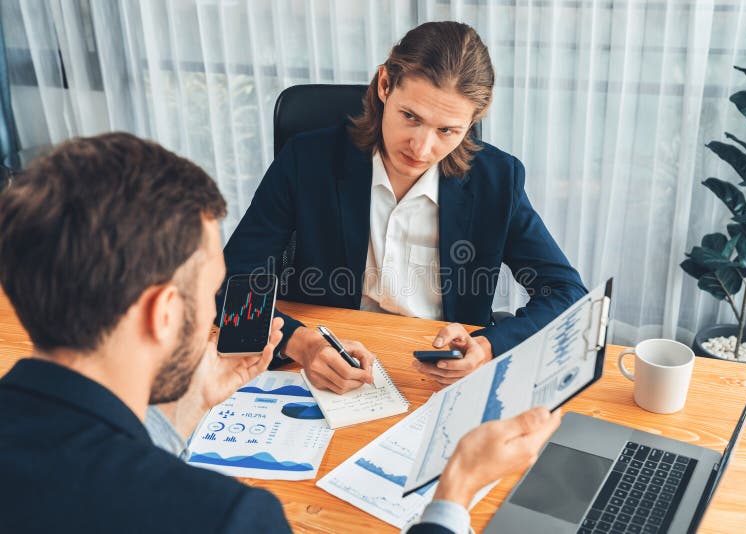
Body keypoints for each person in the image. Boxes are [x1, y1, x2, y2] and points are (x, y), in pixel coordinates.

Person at [0, 133, 562, 534]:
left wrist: (192, 401)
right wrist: (455, 493)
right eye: (210, 289)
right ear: (163, 314)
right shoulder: (229, 518)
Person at [224, 21, 587, 394]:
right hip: (326, 362)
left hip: (435, 379)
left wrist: (487, 346)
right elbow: (233, 280)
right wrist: (303, 344)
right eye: (410, 117)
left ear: (471, 123)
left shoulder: (497, 180)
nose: (421, 147)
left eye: (447, 130)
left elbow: (566, 293)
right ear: (384, 85)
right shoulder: (307, 159)